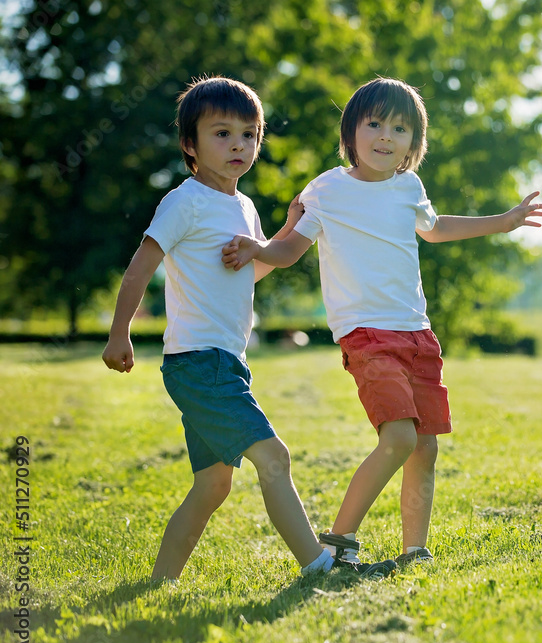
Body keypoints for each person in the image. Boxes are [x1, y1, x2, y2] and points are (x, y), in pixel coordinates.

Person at [221, 77, 542, 569]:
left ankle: (416, 550)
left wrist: (501, 221)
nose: (386, 136)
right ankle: (338, 540)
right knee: (398, 438)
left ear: (414, 144)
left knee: (425, 448)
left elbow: (434, 230)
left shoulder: (408, 187)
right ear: (351, 132)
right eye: (374, 123)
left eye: (400, 128)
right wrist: (258, 249)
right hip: (366, 334)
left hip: (417, 333)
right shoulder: (326, 190)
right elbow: (289, 248)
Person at [101, 76, 393, 581]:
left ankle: (159, 582)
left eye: (249, 134)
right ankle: (320, 566)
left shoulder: (243, 206)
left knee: (213, 486)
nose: (238, 144)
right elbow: (142, 265)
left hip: (225, 362)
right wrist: (119, 332)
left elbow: (254, 268)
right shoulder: (184, 201)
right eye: (222, 134)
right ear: (190, 145)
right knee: (273, 457)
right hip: (199, 361)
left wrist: (279, 232)